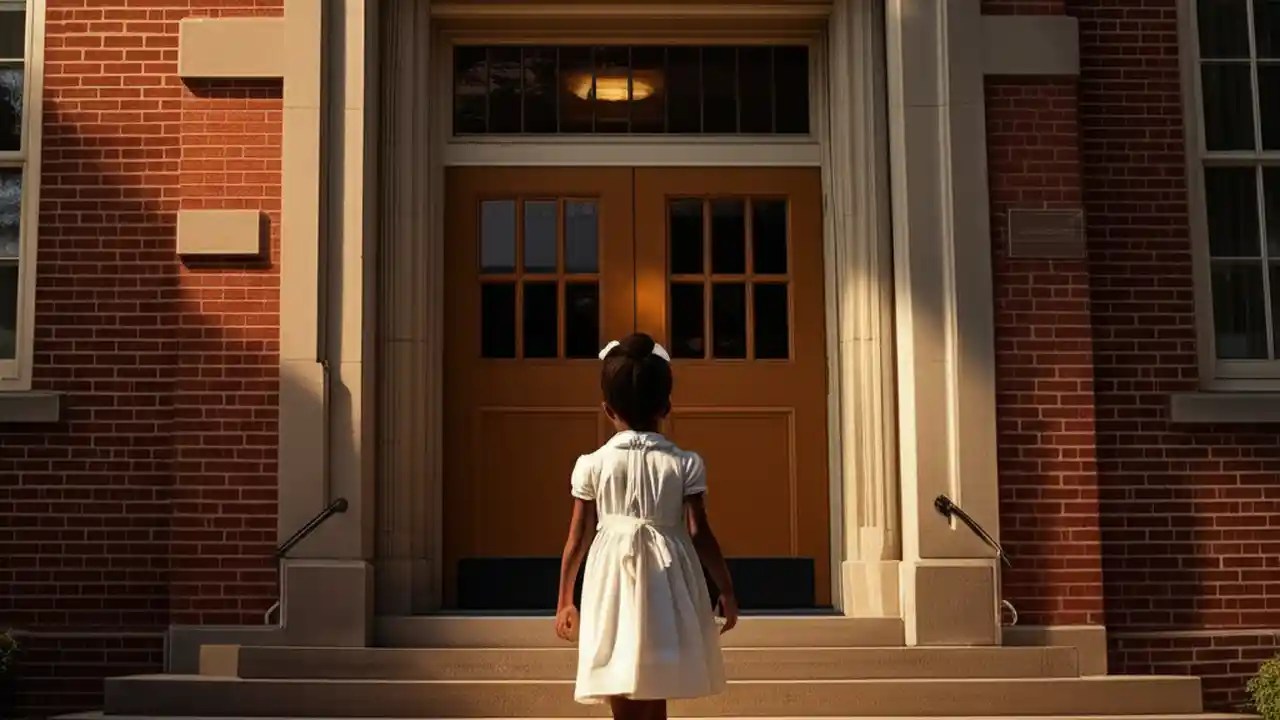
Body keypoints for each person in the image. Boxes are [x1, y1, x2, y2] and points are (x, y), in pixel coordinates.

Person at [555, 333, 738, 720]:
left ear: (607, 408)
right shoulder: (685, 463)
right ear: (666, 405)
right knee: (658, 673)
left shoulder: (591, 463)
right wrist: (725, 588)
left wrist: (565, 597)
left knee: (617, 666)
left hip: (611, 577)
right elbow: (699, 531)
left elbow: (578, 537)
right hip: (667, 577)